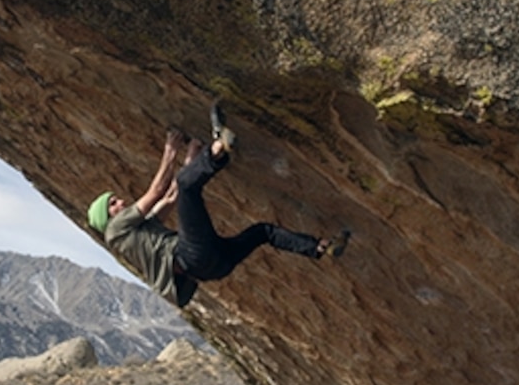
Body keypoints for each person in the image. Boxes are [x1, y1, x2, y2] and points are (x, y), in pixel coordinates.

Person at [87, 106, 347, 307]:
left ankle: (321, 247)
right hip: (192, 256)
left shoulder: (138, 234)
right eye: (112, 204)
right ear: (106, 218)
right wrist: (170, 149)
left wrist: (191, 157)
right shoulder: (114, 230)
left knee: (262, 232)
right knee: (189, 185)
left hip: (213, 268)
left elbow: (171, 199)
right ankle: (219, 144)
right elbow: (156, 192)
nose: (120, 202)